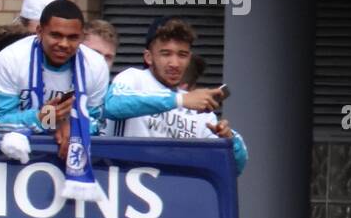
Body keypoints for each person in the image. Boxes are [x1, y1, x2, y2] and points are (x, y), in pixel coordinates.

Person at [104, 17, 247, 173]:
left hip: (175, 192)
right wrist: (180, 100)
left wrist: (227, 138)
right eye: (166, 54)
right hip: (122, 187)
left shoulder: (196, 104)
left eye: (182, 55)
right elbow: (112, 104)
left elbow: (236, 167)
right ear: (148, 57)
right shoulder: (134, 78)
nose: (175, 63)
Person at [0, 0, 110, 168]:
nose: (64, 44)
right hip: (14, 163)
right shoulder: (10, 59)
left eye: (73, 37)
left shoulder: (96, 65)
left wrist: (76, 127)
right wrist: (43, 118)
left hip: (71, 159)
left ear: (82, 36)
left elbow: (98, 123)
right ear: (39, 31)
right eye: (56, 35)